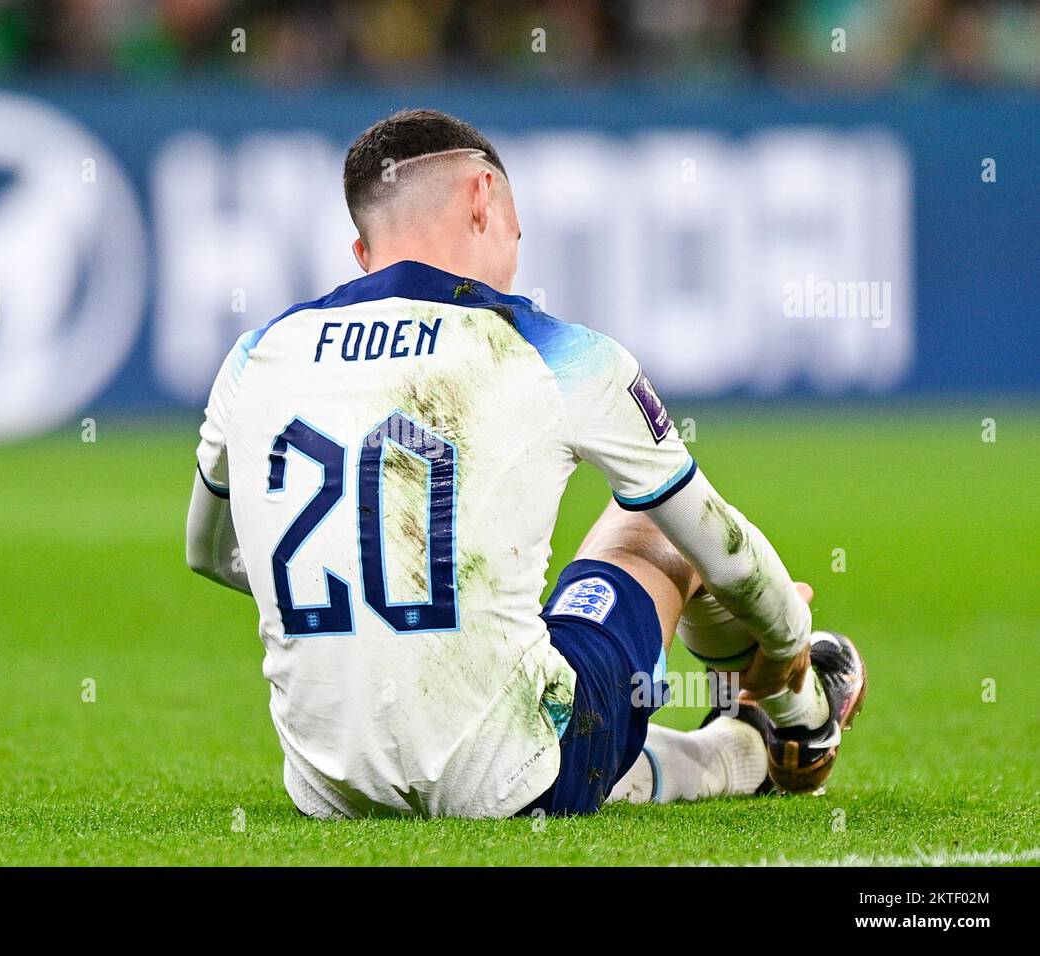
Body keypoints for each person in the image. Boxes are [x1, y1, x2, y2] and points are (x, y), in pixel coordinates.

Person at [185, 108, 866, 818]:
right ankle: (803, 725)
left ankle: (740, 751)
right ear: (482, 196)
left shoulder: (254, 355)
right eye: (517, 229)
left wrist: (361, 595)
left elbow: (207, 553)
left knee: (506, 694)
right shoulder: (551, 351)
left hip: (334, 792)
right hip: (524, 779)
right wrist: (786, 637)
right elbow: (723, 552)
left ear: (365, 254)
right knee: (658, 529)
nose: (515, 249)